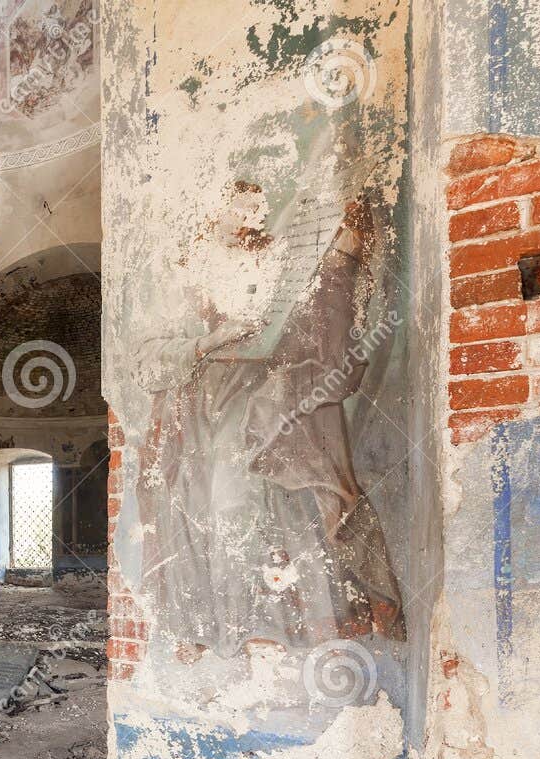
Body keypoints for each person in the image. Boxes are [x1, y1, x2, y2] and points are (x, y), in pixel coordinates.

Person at [134, 181, 404, 661]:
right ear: (213, 216)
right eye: (241, 214)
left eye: (258, 214)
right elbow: (146, 361)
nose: (252, 225)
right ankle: (218, 627)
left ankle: (274, 625)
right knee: (210, 509)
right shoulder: (182, 276)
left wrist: (342, 256)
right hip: (195, 411)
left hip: (265, 395)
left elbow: (313, 328)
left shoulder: (278, 264)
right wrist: (207, 342)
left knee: (253, 496)